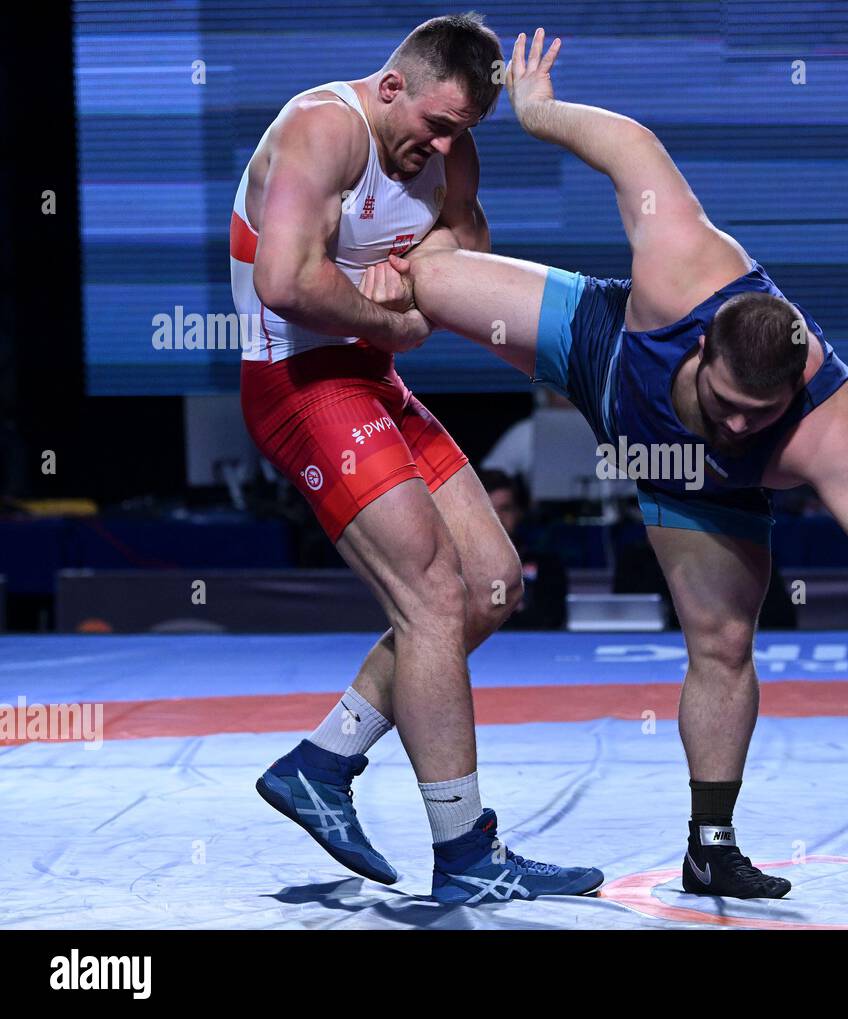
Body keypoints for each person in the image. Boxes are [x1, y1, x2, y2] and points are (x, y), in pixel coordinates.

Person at [361, 29, 848, 900]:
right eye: (723, 402)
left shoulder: (824, 423)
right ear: (706, 341)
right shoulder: (681, 260)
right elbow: (631, 147)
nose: (734, 420)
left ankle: (710, 844)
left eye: (755, 416)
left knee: (724, 645)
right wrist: (539, 113)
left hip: (700, 487)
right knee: (429, 275)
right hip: (603, 350)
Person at [233, 14, 600, 904]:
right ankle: (467, 850)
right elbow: (286, 281)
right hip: (296, 381)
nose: (439, 147)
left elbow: (465, 248)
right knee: (432, 594)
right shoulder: (323, 129)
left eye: (460, 132)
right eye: (434, 125)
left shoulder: (448, 150)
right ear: (391, 85)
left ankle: (322, 761)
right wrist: (396, 315)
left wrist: (425, 266)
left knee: (494, 580)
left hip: (370, 379)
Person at [480, 469, 569, 629]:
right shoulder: (457, 569)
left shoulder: (548, 566)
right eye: (488, 510)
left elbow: (549, 621)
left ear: (519, 512)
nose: (497, 518)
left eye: (505, 509)